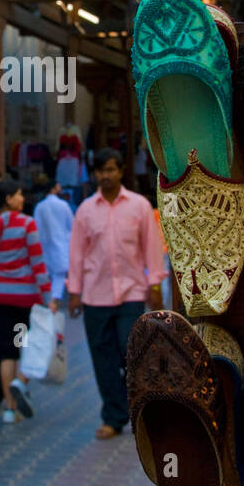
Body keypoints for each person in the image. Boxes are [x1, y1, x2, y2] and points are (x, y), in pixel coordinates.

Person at [67, 148, 166, 441]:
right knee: (103, 358)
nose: (105, 175)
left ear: (121, 171)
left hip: (132, 293)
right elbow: (77, 254)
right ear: (94, 174)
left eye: (111, 169)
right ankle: (113, 416)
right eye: (100, 171)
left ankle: (141, 412)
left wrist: (156, 285)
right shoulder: (85, 210)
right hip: (95, 296)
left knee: (132, 353)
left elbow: (152, 247)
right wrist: (74, 292)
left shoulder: (138, 206)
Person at [0, 178, 57, 425]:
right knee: (24, 344)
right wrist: (48, 297)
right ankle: (20, 383)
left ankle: (10, 410)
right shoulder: (27, 224)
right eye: (19, 195)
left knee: (6, 353)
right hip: (25, 298)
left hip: (1, 296)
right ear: (8, 199)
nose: (23, 199)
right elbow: (37, 263)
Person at [33, 180, 74, 304]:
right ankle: (54, 298)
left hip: (44, 243)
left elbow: (36, 226)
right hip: (61, 243)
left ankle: (49, 297)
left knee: (48, 272)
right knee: (59, 274)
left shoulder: (39, 206)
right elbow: (72, 224)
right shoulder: (63, 205)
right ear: (53, 188)